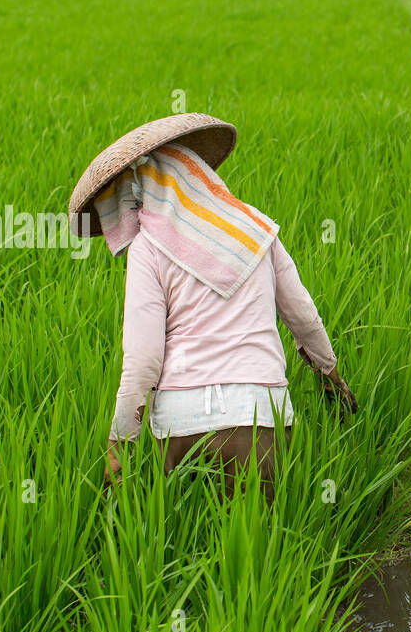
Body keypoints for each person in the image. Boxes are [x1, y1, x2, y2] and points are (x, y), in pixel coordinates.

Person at [68, 113, 357, 502]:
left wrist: (120, 441)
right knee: (257, 553)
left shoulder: (147, 249)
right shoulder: (255, 229)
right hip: (260, 417)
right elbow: (302, 315)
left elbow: (143, 359)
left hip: (179, 429)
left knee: (183, 550)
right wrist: (330, 374)